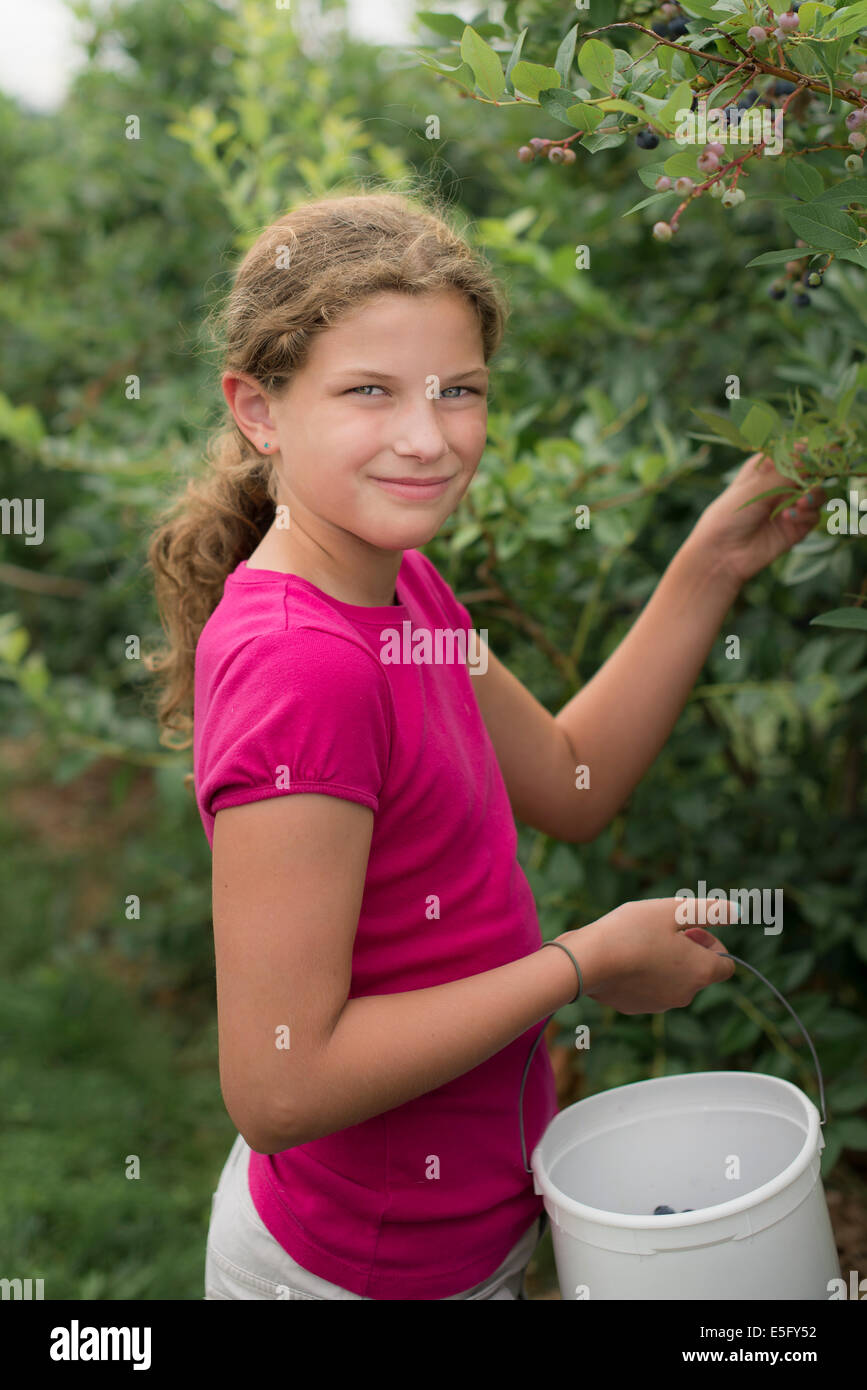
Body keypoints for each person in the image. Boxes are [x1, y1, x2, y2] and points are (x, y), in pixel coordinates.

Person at [145, 186, 824, 1301]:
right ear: (260, 410)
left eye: (458, 391)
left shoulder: (397, 580)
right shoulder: (302, 664)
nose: (429, 437)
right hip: (361, 1273)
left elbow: (569, 779)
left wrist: (712, 564)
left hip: (459, 1231)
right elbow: (278, 1088)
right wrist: (583, 963)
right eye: (369, 391)